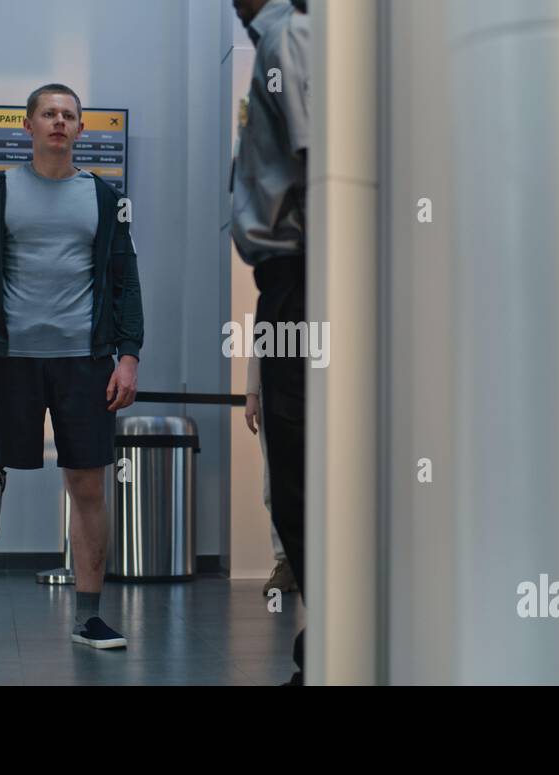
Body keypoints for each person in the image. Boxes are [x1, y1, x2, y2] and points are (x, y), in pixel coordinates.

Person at [0, 83, 143, 651]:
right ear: (29, 126)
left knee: (87, 483)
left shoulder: (106, 200)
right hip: (11, 356)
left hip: (85, 361)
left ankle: (89, 616)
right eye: (49, 113)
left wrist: (128, 355)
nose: (59, 122)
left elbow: (124, 280)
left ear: (81, 129)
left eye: (68, 115)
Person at [230, 0, 310, 684]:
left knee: (300, 475)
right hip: (289, 284)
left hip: (304, 278)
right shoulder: (275, 38)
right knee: (291, 474)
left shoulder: (289, 34)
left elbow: (328, 165)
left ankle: (338, 641)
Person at [246, 352, 297, 596]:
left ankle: (323, 560)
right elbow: (260, 339)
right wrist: (252, 393)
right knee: (276, 481)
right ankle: (286, 560)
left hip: (318, 389)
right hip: (277, 391)